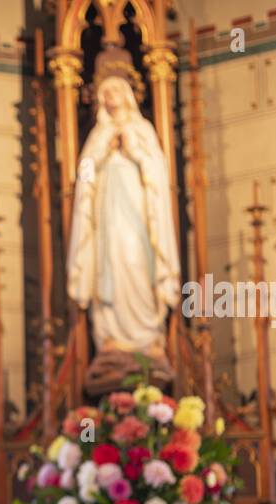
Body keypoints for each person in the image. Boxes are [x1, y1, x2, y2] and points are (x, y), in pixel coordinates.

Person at [66, 46, 180, 392]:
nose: (112, 98)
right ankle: (111, 338)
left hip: (138, 218)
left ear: (127, 94)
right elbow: (82, 178)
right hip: (107, 222)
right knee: (110, 265)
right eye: (106, 93)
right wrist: (101, 154)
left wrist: (133, 151)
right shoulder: (97, 137)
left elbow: (159, 177)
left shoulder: (142, 131)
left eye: (116, 91)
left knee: (135, 261)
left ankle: (148, 338)